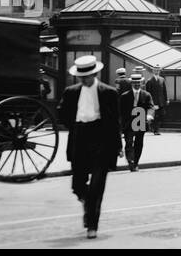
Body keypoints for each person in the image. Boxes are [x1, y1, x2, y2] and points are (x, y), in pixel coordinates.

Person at [58, 55, 122, 239]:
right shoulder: (71, 92)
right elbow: (62, 112)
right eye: (81, 77)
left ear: (94, 74)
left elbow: (115, 122)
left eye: (86, 77)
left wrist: (118, 145)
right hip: (80, 137)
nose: (84, 80)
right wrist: (74, 126)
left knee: (96, 186)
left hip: (102, 139)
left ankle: (92, 225)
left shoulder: (108, 93)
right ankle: (87, 202)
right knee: (78, 185)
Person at [118, 72, 154, 172]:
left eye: (138, 83)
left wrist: (149, 115)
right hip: (128, 123)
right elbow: (120, 111)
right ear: (131, 84)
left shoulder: (146, 95)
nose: (137, 85)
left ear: (141, 83)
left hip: (140, 121)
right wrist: (120, 124)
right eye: (134, 83)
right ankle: (130, 161)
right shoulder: (124, 96)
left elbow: (151, 107)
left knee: (139, 143)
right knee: (129, 142)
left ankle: (136, 162)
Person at [143, 67, 167, 136]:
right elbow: (148, 92)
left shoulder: (162, 79)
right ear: (153, 71)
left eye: (158, 70)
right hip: (153, 101)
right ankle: (156, 130)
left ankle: (155, 128)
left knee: (160, 115)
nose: (157, 71)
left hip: (161, 101)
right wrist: (150, 102)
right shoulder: (149, 80)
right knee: (155, 116)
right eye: (155, 70)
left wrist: (166, 99)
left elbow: (164, 91)